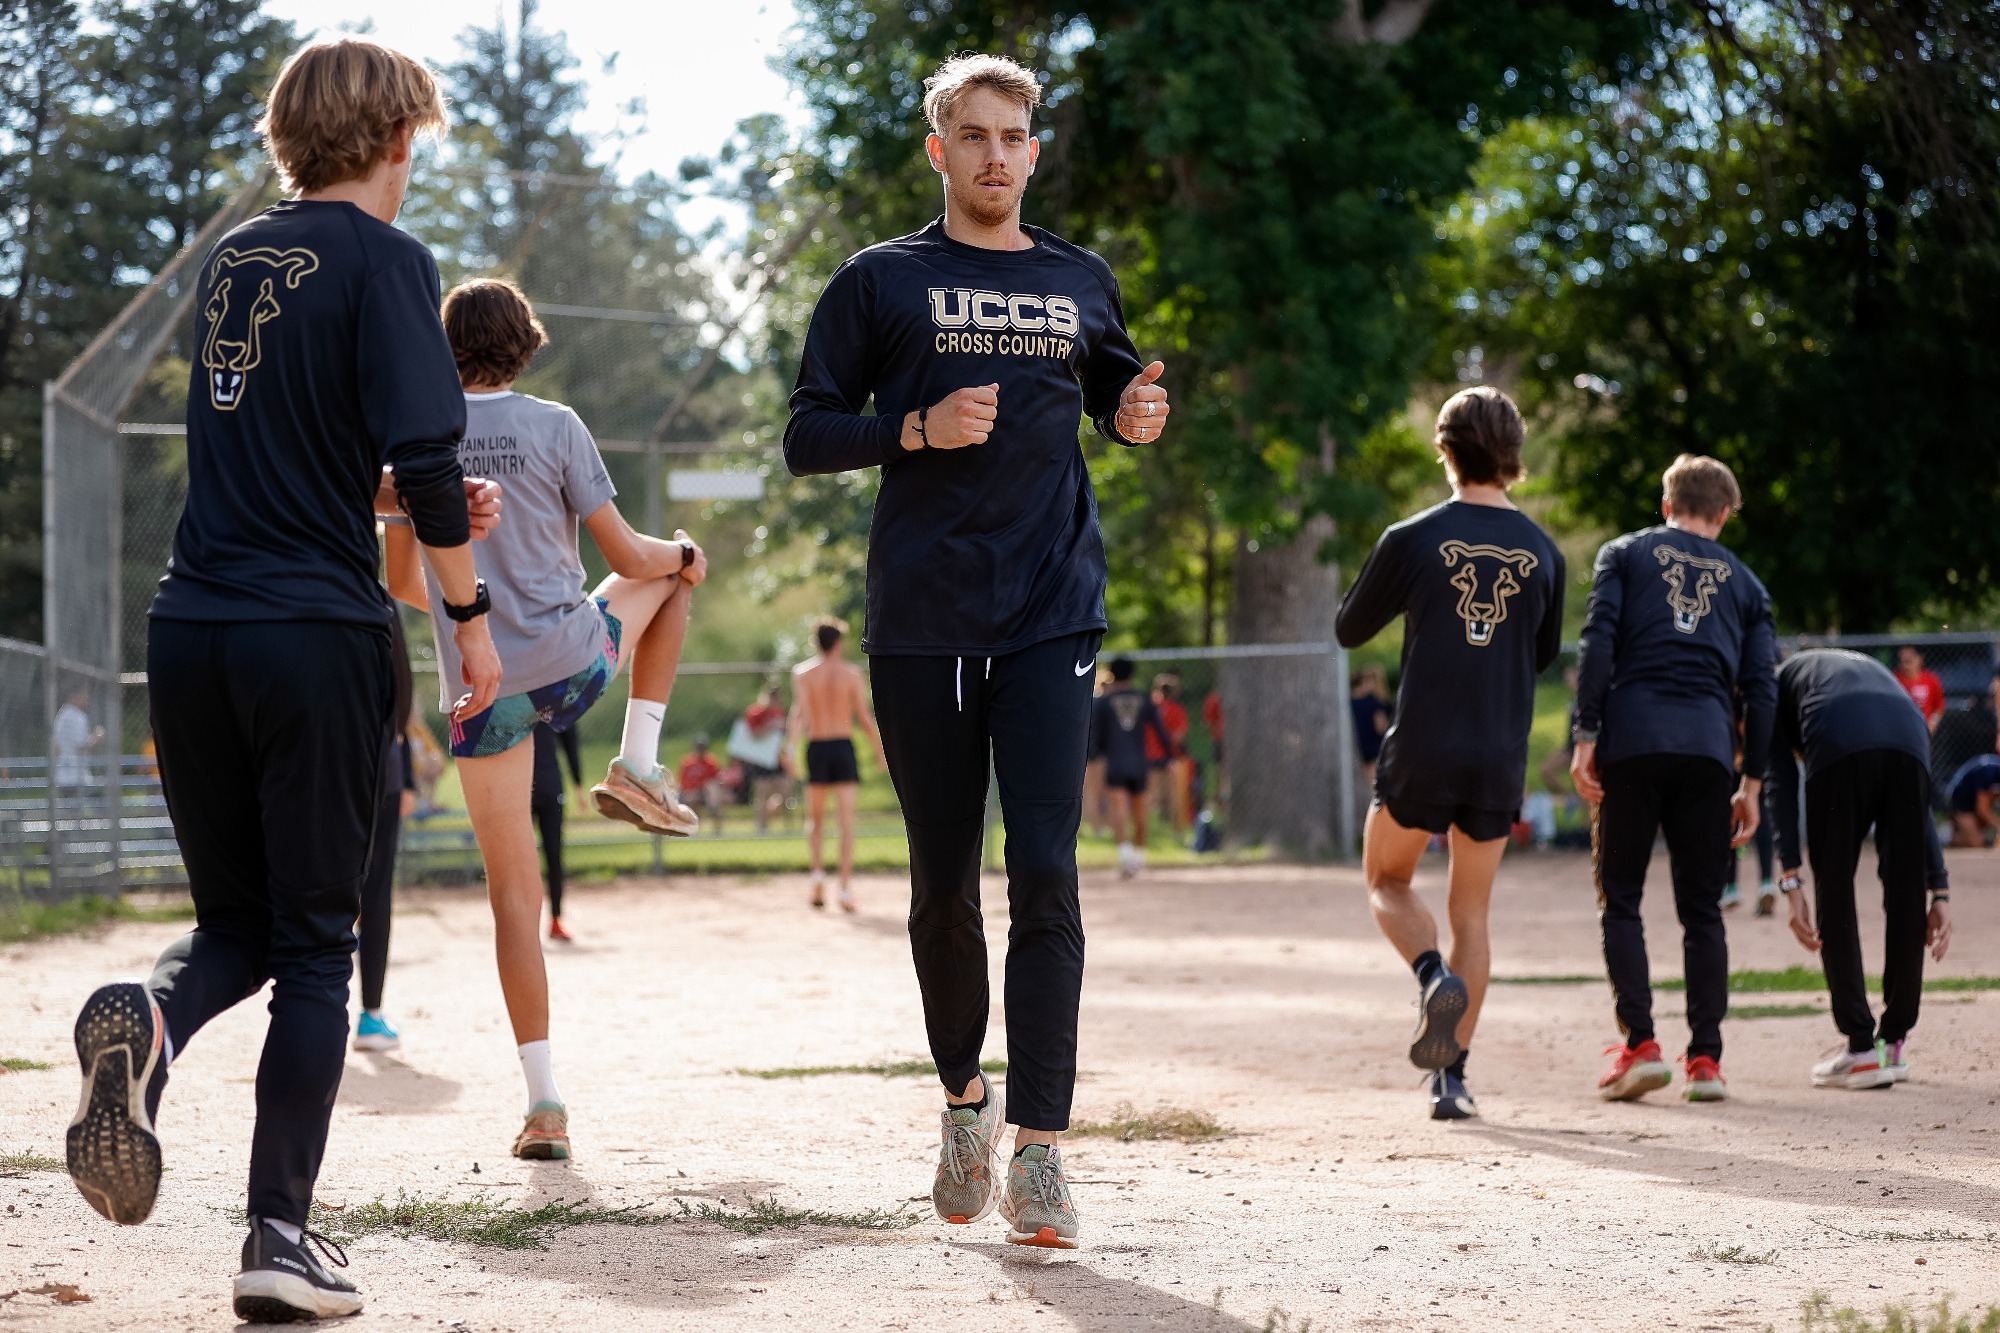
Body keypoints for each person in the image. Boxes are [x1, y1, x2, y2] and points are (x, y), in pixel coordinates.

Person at [64, 39, 503, 1323]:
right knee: (319, 948)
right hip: (314, 635)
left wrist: (381, 491)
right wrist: (468, 625)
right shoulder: (388, 261)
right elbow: (428, 457)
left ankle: (144, 1020)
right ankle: (277, 1236)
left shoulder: (232, 263)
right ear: (391, 140)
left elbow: (288, 458)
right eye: (415, 138)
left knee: (237, 928)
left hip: (192, 630)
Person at [784, 52, 1169, 1249]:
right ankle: (964, 1101)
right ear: (938, 150)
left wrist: (1135, 412)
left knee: (1046, 871)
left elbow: (1115, 390)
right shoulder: (878, 281)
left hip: (1053, 611)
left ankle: (1043, 1153)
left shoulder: (1078, 278)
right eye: (975, 135)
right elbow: (804, 433)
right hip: (923, 621)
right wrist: (913, 425)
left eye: (1014, 136)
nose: (996, 154)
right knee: (944, 882)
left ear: (1033, 152)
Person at [387, 275, 707, 1165]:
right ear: (525, 343)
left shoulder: (419, 440)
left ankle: (545, 1104)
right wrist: (684, 554)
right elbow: (630, 557)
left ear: (441, 350)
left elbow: (406, 587)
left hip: (482, 692)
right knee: (670, 575)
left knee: (513, 901)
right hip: (571, 666)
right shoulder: (557, 424)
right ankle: (638, 761)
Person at [1335, 386, 1564, 1122]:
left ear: (1445, 449)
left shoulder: (1412, 537)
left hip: (1424, 748)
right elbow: (1545, 653)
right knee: (1474, 913)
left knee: (1385, 878)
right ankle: (1452, 1079)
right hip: (1499, 754)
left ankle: (1431, 975)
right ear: (1512, 453)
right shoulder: (1546, 552)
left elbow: (1348, 629)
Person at [1571, 454, 1776, 1105]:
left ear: (1667, 506)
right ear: (1722, 514)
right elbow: (1762, 690)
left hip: (1631, 739)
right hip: (1708, 750)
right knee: (1702, 908)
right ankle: (1706, 1060)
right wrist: (1753, 781)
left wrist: (1585, 733)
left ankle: (1640, 1044)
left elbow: (1598, 641)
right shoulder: (1746, 584)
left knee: (1622, 896)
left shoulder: (1625, 554)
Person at [1766, 648, 1953, 1090]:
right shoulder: (1830, 669)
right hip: (1910, 734)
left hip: (1837, 738)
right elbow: (1922, 809)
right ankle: (1894, 1042)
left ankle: (1860, 1047)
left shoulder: (1767, 691)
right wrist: (1938, 890)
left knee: (1834, 886)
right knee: (1907, 889)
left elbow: (1779, 781)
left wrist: (1791, 881)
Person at [354, 611, 420, 1052]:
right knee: (375, 892)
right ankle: (370, 1015)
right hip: (379, 766)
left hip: (312, 763)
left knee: (318, 888)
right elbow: (402, 692)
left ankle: (308, 1008)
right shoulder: (377, 603)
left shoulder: (287, 587)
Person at [788, 616, 883, 911]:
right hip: (843, 747)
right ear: (838, 643)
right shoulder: (852, 674)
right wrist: (880, 752)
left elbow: (799, 713)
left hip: (816, 747)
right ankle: (844, 888)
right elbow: (864, 718)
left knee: (815, 820)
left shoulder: (803, 674)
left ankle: (817, 874)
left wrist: (790, 749)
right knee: (845, 823)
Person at [1091, 658, 1174, 878]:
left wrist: (1093, 755)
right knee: (1140, 811)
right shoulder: (1143, 699)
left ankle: (1125, 857)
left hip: (1116, 762)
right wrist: (1170, 756)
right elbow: (1160, 730)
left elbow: (1095, 736)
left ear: (1112, 674)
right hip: (1139, 763)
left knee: (1118, 809)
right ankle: (1139, 856)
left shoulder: (1104, 702)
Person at [531, 722, 582, 941]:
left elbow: (570, 742)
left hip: (550, 789)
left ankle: (555, 920)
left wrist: (578, 784)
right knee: (521, 859)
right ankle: (524, 923)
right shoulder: (514, 693)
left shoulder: (557, 699)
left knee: (554, 855)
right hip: (520, 788)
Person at [730, 685, 791, 831]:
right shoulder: (755, 713)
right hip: (760, 760)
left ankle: (787, 826)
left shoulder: (779, 713)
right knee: (762, 794)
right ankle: (762, 827)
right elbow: (753, 735)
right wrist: (770, 727)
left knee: (785, 792)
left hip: (776, 760)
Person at [1148, 673, 1192, 835]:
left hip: (1151, 755)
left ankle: (1153, 830)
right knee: (1174, 796)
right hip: (1171, 756)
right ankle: (1176, 831)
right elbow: (1178, 735)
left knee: (1153, 796)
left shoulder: (1152, 708)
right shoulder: (1176, 709)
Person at [53, 686, 105, 791]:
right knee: (99, 799)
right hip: (77, 775)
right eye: (84, 695)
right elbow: (81, 746)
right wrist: (97, 736)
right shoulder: (78, 717)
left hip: (63, 773)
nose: (86, 698)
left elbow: (56, 745)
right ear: (75, 696)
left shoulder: (61, 715)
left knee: (69, 805)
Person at [1945, 753, 2000, 847]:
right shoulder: (1988, 771)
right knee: (1975, 843)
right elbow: (1982, 809)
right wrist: (1998, 825)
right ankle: (1946, 838)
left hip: (1973, 802)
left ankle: (1958, 834)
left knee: (1973, 836)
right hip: (1960, 802)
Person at [1350, 666, 1391, 790]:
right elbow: (1380, 726)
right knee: (1374, 787)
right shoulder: (1374, 702)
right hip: (1375, 748)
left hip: (1358, 747)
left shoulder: (1350, 703)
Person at [677, 734, 726, 831]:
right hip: (689, 792)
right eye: (699, 748)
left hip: (705, 792)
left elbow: (715, 780)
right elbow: (682, 782)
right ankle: (694, 830)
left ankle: (717, 830)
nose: (701, 750)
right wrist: (691, 791)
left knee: (712, 793)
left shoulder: (711, 762)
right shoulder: (687, 762)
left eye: (703, 748)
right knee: (693, 798)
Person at [1895, 645, 1947, 733]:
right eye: (1901, 661)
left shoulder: (1930, 679)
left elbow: (1939, 707)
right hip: (1900, 728)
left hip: (1922, 728)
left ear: (1920, 659)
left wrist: (1931, 726)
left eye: (1908, 661)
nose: (1904, 666)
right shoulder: (1894, 679)